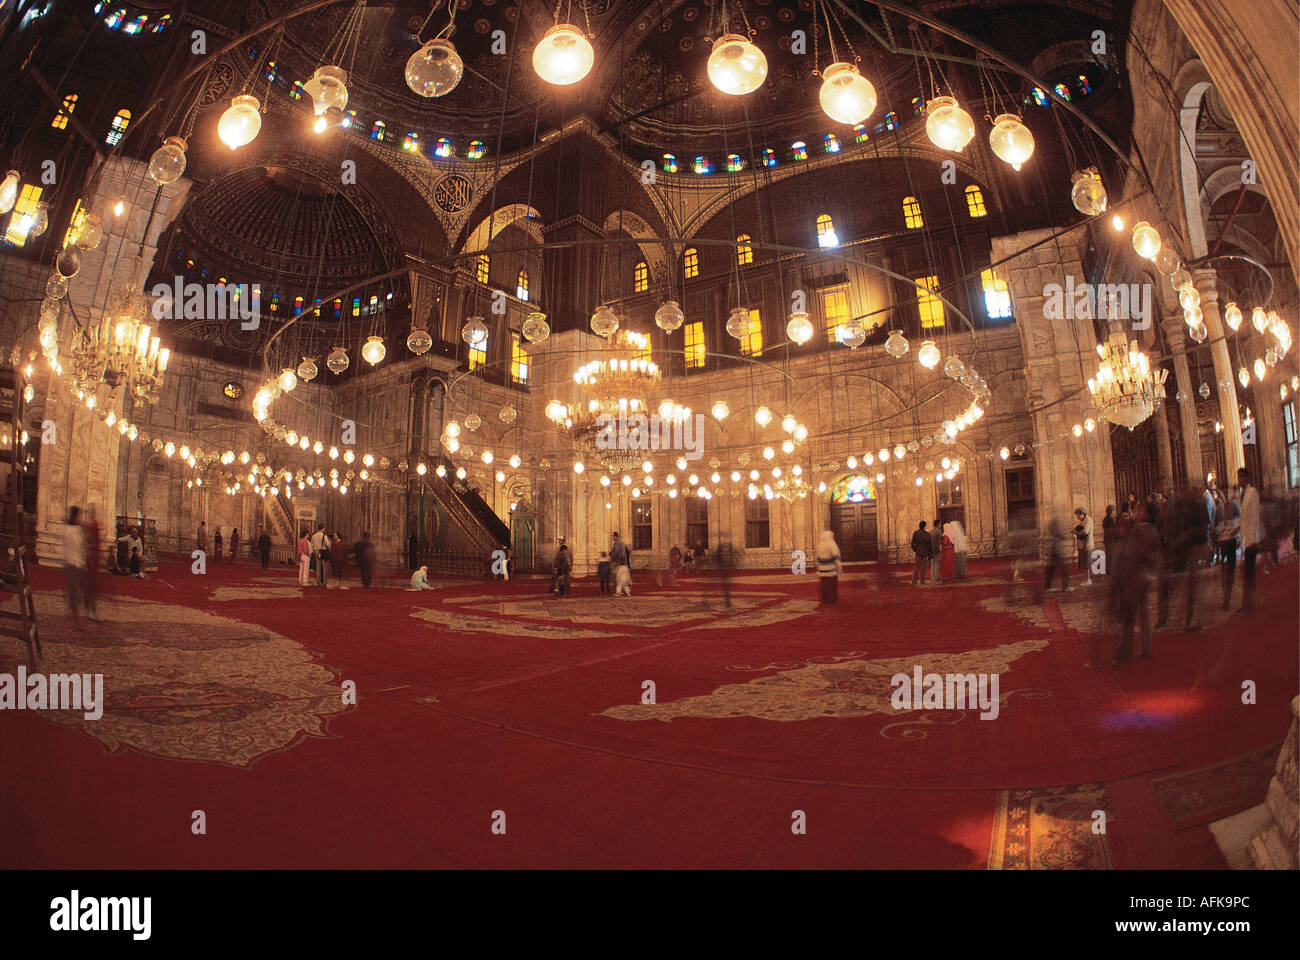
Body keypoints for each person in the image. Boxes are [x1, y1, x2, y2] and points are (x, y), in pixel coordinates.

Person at [1238, 467, 1262, 612]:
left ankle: (1249, 603)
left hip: (1251, 539)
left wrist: (1253, 540)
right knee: (1247, 573)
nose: (1240, 479)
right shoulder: (1242, 494)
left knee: (1249, 573)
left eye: (1242, 477)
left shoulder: (1252, 492)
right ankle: (1247, 603)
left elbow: (1254, 517)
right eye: (1238, 477)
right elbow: (1243, 519)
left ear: (1247, 477)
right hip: (1246, 539)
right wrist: (1240, 538)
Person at [1216, 485, 1241, 609]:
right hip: (1223, 541)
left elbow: (1239, 522)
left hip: (1231, 540)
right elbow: (1216, 525)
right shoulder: (1219, 509)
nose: (1225, 495)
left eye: (1227, 493)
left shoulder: (1234, 507)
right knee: (1224, 569)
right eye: (1223, 493)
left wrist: (1238, 536)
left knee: (1230, 568)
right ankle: (1225, 594)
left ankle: (1228, 596)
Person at [62, 507, 86, 629]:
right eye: (78, 517)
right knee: (74, 593)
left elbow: (80, 548)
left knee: (79, 593)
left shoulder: (78, 530)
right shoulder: (68, 531)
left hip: (79, 564)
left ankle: (76, 618)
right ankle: (77, 622)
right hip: (72, 564)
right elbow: (69, 549)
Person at [1041, 516, 1072, 594]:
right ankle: (1065, 587)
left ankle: (1047, 586)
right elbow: (1063, 536)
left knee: (1051, 570)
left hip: (1053, 551)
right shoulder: (1057, 530)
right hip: (1058, 552)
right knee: (1064, 570)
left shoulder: (1052, 530)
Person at [81, 504, 100, 620]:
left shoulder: (94, 525)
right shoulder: (87, 526)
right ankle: (89, 608)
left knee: (92, 586)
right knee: (89, 585)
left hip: (92, 559)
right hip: (88, 559)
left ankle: (91, 609)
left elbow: (96, 542)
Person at [814, 530, 842, 603]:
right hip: (831, 570)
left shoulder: (820, 545)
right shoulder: (832, 544)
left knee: (824, 586)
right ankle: (831, 600)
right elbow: (836, 557)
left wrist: (818, 568)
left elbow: (816, 558)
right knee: (831, 586)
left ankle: (825, 600)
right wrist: (839, 568)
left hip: (821, 570)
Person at [1073, 507, 1095, 586]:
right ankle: (1087, 579)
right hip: (1084, 544)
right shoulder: (1084, 520)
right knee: (1085, 562)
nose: (1078, 518)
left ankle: (1088, 580)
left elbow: (1085, 531)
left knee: (1087, 562)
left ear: (1081, 514)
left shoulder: (1088, 520)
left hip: (1087, 544)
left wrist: (1076, 532)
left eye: (1078, 516)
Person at [610, 532, 632, 596]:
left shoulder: (617, 543)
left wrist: (612, 558)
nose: (613, 538)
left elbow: (615, 553)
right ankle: (627, 591)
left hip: (618, 563)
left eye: (613, 536)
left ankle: (618, 591)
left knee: (618, 577)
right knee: (624, 579)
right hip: (624, 563)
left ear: (615, 536)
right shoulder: (622, 543)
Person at [1101, 505, 1116, 575]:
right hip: (1111, 540)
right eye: (1113, 510)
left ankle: (1108, 571)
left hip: (1106, 539)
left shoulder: (1105, 519)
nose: (1114, 512)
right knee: (1111, 556)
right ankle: (1110, 571)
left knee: (1108, 556)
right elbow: (1111, 531)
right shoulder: (1110, 519)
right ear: (1111, 511)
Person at [929, 519, 944, 584]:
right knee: (937, 564)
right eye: (940, 524)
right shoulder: (939, 531)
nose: (941, 525)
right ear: (938, 524)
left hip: (931, 550)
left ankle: (932, 577)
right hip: (937, 549)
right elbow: (941, 540)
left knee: (932, 564)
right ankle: (936, 578)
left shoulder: (930, 531)